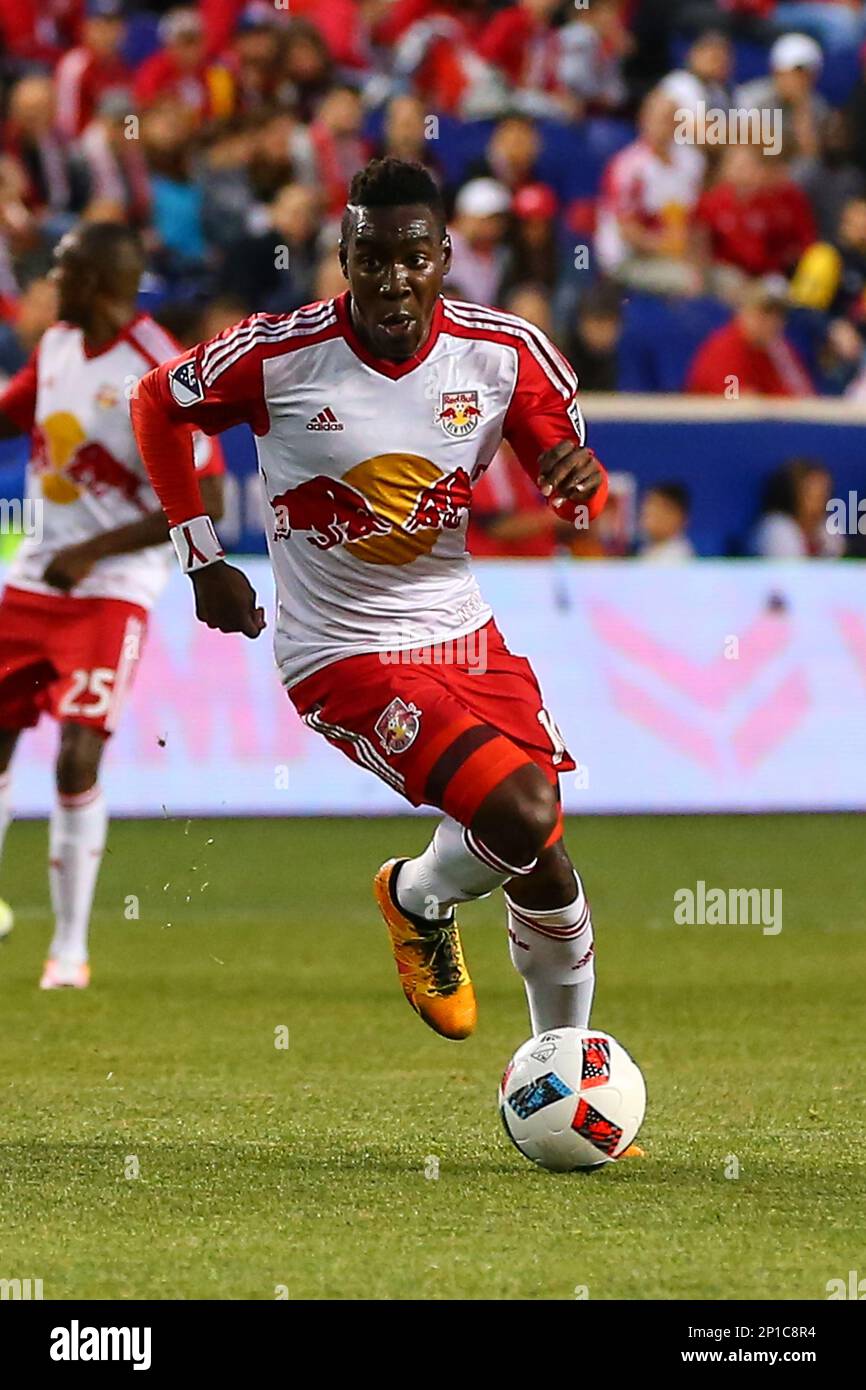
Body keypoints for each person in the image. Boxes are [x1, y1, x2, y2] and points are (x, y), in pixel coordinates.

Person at [130, 159, 624, 1078]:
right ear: (343, 258)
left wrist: (573, 475)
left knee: (543, 854)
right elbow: (158, 403)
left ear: (445, 257)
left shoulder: (505, 350)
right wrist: (200, 558)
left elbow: (559, 450)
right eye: (370, 258)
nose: (392, 281)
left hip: (462, 631)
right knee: (522, 811)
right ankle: (426, 899)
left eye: (413, 258)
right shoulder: (276, 354)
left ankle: (547, 1061)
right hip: (339, 652)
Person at [0, 222, 225, 988]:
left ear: (95, 282)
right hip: (35, 577)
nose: (48, 278)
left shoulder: (157, 369)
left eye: (61, 268)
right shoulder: (60, 344)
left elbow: (212, 493)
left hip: (111, 589)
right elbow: (15, 413)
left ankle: (68, 948)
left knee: (76, 751)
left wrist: (93, 551)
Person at [687, 276, 814, 396]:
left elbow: (802, 396)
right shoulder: (725, 348)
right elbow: (732, 397)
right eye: (764, 312)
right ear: (743, 312)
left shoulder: (779, 350)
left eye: (779, 314)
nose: (773, 322)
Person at [635, 483, 695, 562]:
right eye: (648, 505)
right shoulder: (646, 549)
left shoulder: (677, 557)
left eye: (657, 508)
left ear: (677, 516)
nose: (648, 512)